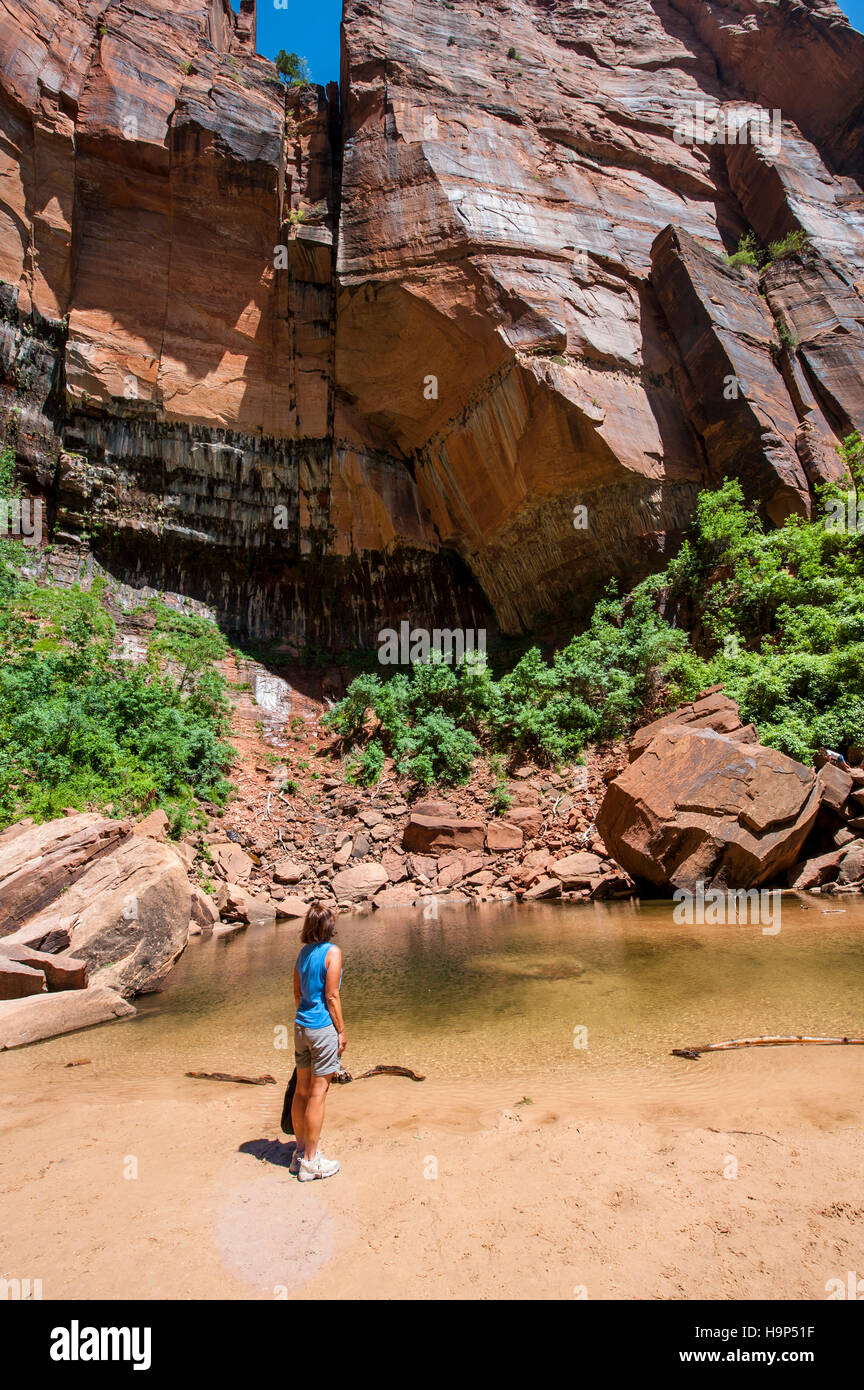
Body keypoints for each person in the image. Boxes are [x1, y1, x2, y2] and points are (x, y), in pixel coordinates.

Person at [290, 902, 346, 1181]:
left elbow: (297, 994)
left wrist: (304, 1020)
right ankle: (311, 1161)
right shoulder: (332, 953)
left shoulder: (302, 954)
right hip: (322, 1028)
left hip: (301, 1027)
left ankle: (299, 1153)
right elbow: (332, 996)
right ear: (328, 927)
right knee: (318, 1094)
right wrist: (341, 1031)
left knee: (301, 1091)